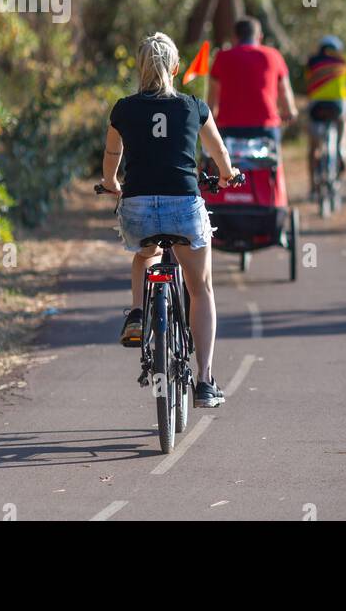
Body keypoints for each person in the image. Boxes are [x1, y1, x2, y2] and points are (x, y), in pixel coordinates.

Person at [102, 32, 241, 409]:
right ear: (176, 69)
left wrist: (111, 183)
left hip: (138, 209)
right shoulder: (194, 107)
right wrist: (229, 175)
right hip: (184, 205)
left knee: (143, 254)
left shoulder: (123, 109)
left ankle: (136, 313)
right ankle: (206, 380)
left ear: (140, 68)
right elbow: (218, 152)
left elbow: (113, 155)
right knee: (201, 289)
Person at [206, 17, 297, 145]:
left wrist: (209, 120)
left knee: (227, 164)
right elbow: (284, 89)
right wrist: (289, 111)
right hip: (266, 127)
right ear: (259, 37)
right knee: (271, 163)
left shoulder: (222, 57)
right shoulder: (274, 55)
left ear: (235, 37)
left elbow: (212, 94)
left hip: (229, 127)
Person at [303, 35, 346, 192]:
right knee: (345, 124)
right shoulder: (344, 62)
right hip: (338, 106)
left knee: (314, 144)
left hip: (317, 106)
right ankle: (342, 149)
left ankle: (313, 184)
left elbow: (309, 83)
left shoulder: (312, 63)